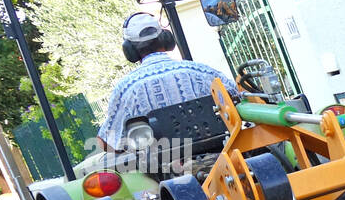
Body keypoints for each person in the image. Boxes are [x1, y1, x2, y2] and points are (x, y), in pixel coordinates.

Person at [97, 12, 240, 152]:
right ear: (166, 39)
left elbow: (106, 142)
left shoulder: (125, 89)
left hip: (168, 171)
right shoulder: (201, 71)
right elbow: (238, 97)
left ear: (130, 50)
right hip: (224, 154)